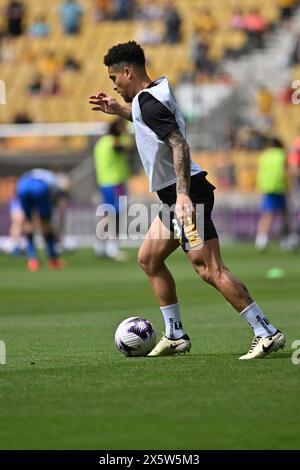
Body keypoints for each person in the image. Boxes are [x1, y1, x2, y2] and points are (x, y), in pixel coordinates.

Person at [89, 41, 285, 359]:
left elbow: (179, 145)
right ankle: (176, 335)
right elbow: (151, 126)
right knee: (149, 259)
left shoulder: (149, 102)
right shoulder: (148, 97)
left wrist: (182, 196)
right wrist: (120, 110)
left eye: (115, 77)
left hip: (187, 193)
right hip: (176, 195)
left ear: (128, 71)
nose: (113, 84)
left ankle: (265, 331)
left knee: (209, 268)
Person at [93, 118, 132, 260]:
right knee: (115, 215)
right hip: (115, 183)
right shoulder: (114, 142)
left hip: (104, 183)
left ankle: (100, 246)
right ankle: (112, 247)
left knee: (106, 214)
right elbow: (129, 145)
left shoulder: (101, 143)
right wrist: (126, 133)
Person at [16, 168, 66, 271]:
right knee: (46, 223)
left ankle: (32, 260)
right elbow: (59, 206)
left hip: (22, 185)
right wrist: (57, 231)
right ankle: (53, 259)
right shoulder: (55, 182)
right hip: (39, 188)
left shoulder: (38, 173)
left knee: (29, 222)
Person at [255, 138, 291, 250]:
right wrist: (289, 188)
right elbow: (285, 172)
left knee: (267, 214)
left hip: (267, 187)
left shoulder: (264, 155)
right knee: (284, 214)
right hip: (279, 187)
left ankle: (261, 239)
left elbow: (261, 171)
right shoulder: (282, 154)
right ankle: (286, 239)